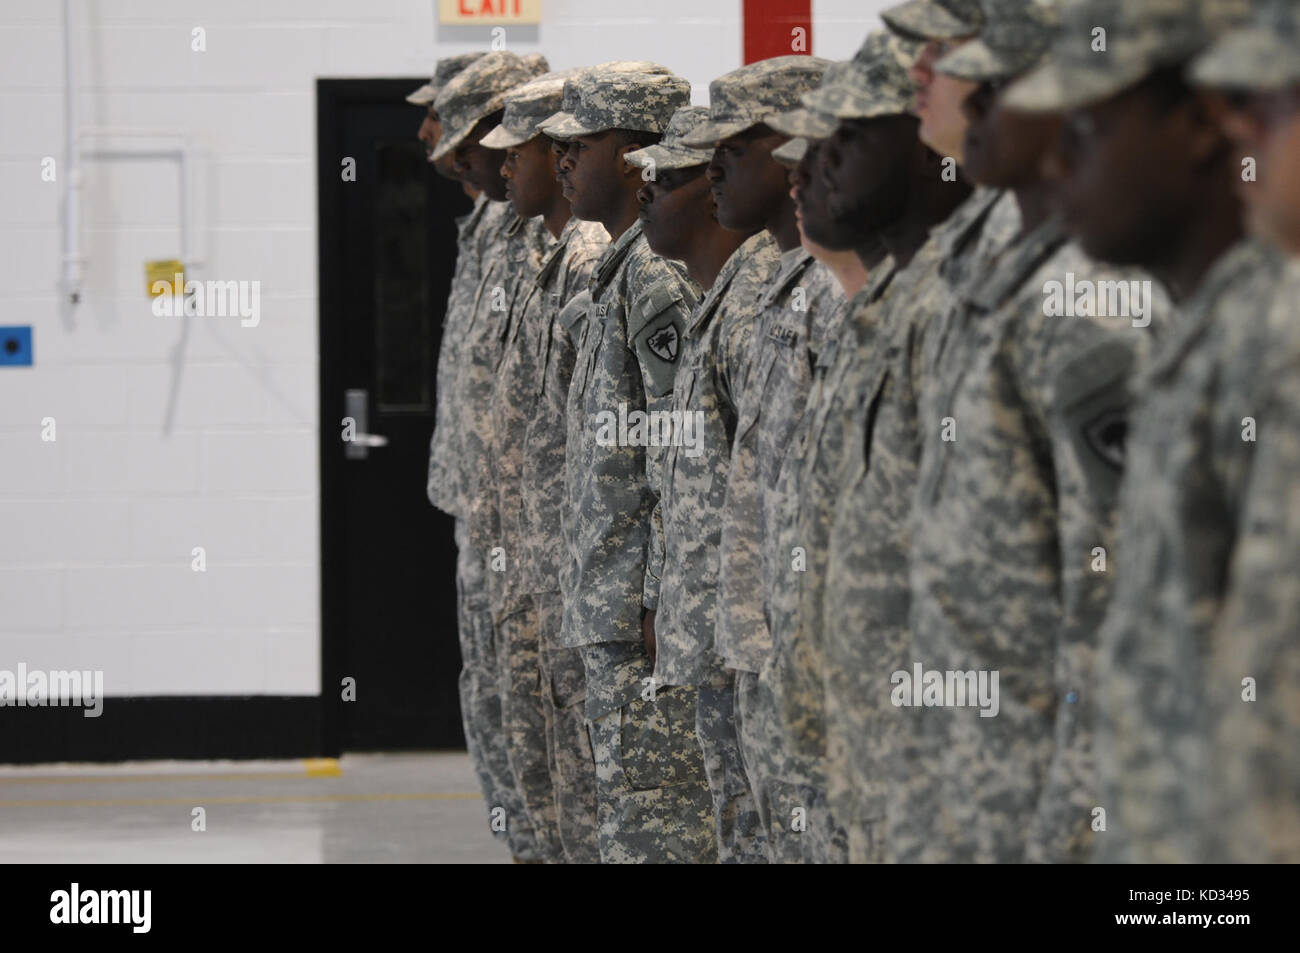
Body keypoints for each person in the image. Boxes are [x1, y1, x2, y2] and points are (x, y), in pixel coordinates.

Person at [1004, 0, 1282, 863]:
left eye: (1088, 125)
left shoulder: (1271, 347)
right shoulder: (1202, 339)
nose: (1057, 159)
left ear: (1202, 125)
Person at [887, 0, 1163, 864]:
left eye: (997, 87)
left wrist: (1077, 828)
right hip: (975, 784)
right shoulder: (1002, 271)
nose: (970, 105)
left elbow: (1117, 606)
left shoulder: (1087, 306)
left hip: (1042, 807)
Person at [762, 30, 972, 863]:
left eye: (849, 137)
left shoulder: (964, 307)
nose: (811, 170)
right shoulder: (881, 311)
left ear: (924, 145)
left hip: (947, 774)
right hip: (870, 754)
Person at [540, 70, 718, 863]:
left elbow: (683, 447)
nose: (564, 162)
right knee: (631, 821)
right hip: (609, 608)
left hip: (639, 615)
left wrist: (656, 595)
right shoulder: (619, 269)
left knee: (661, 830)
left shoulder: (653, 276)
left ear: (634, 150)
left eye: (581, 145)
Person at [628, 101, 784, 863]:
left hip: (752, 643)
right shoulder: (721, 301)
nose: (648, 192)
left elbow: (767, 490)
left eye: (673, 174)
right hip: (718, 638)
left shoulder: (757, 302)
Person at [474, 71, 611, 863]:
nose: (505, 171)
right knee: (548, 787)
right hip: (537, 563)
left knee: (585, 801)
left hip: (572, 578)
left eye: (516, 155)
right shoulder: (549, 257)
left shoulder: (590, 263)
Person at [428, 50, 551, 862]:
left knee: (539, 726)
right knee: (494, 700)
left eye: (465, 135)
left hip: (532, 533)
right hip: (485, 510)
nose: (442, 144)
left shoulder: (544, 241)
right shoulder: (490, 231)